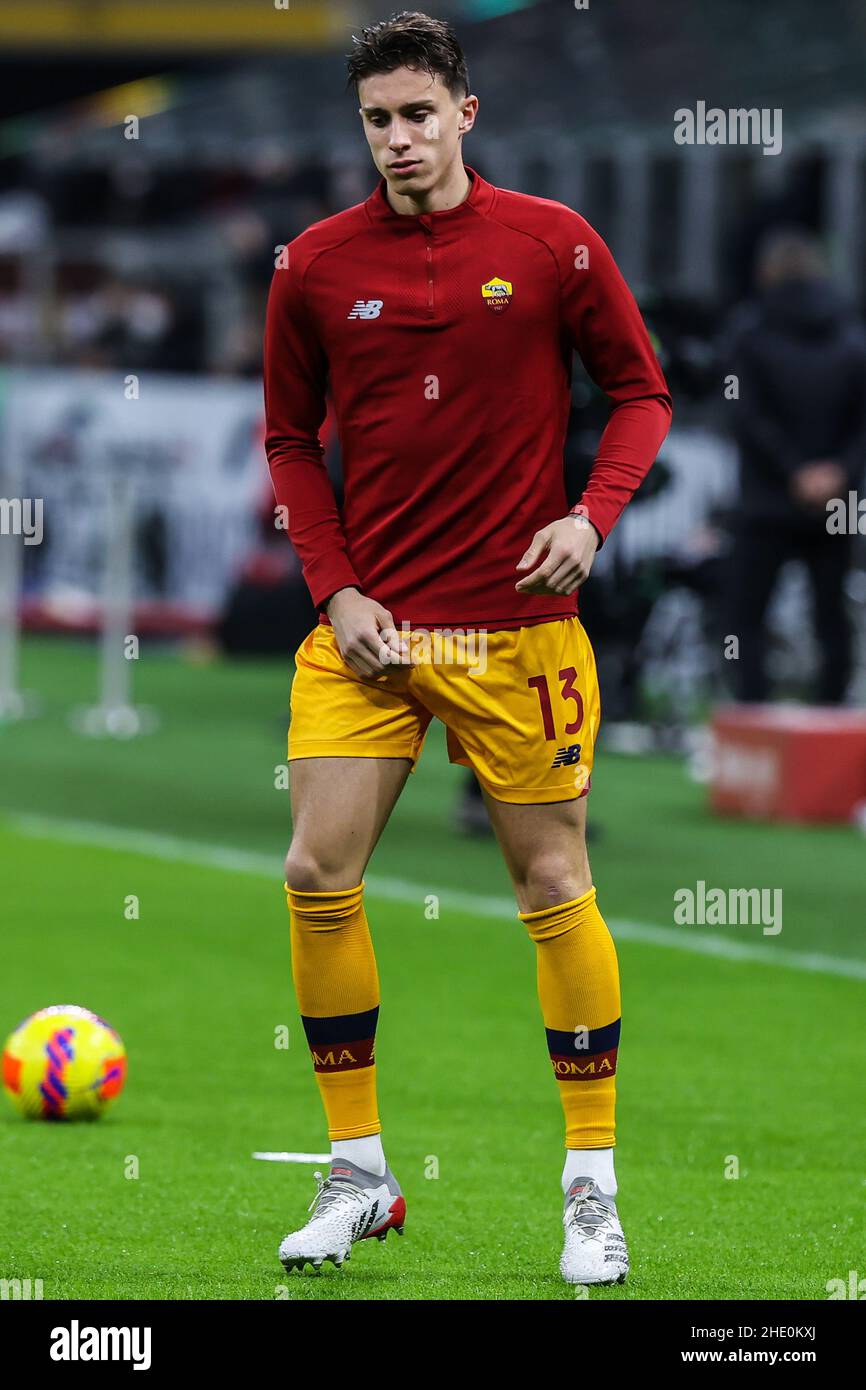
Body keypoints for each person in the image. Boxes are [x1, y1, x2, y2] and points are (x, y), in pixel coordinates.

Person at [263, 10, 671, 1286]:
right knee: (313, 870)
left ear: (464, 115)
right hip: (370, 635)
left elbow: (642, 393)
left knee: (552, 888)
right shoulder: (314, 265)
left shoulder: (551, 242)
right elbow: (288, 441)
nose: (397, 138)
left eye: (416, 114)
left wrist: (588, 519)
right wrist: (333, 590)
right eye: (377, 118)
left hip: (518, 633)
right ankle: (358, 1174)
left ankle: (590, 1193)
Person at [726, 228, 866, 702]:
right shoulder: (850, 336)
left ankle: (753, 719)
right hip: (833, 504)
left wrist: (792, 472)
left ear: (767, 273)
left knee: (747, 618)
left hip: (766, 501)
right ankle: (830, 719)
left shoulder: (750, 332)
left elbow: (745, 413)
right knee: (832, 617)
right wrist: (837, 472)